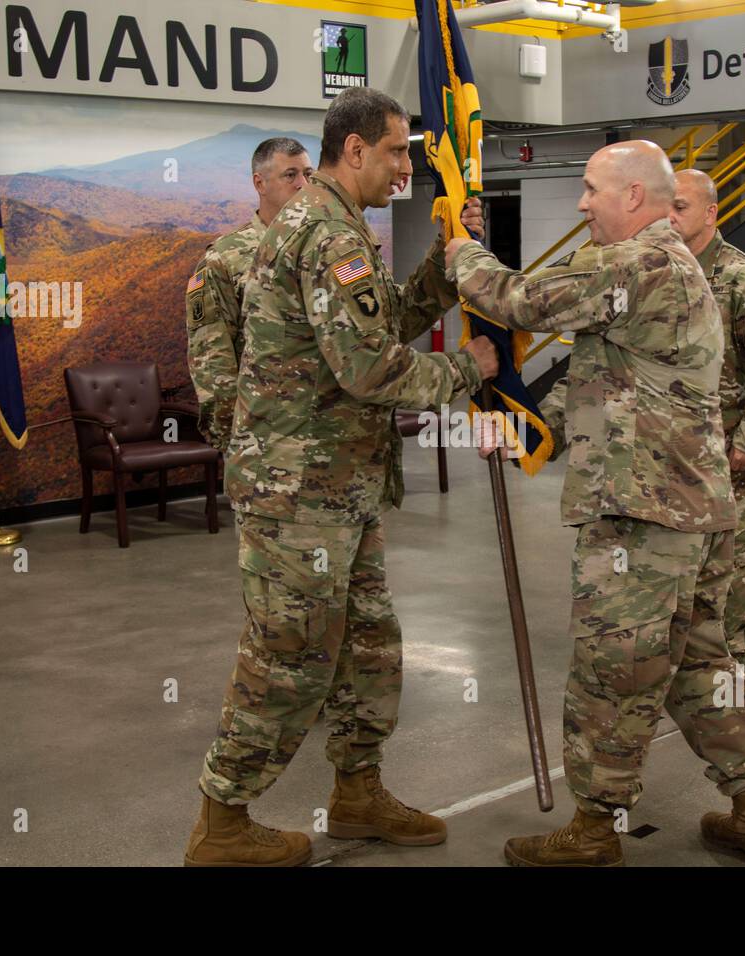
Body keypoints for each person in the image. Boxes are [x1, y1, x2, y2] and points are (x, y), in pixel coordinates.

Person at [446, 141, 745, 868]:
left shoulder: (639, 264)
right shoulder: (667, 268)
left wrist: (460, 246)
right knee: (697, 667)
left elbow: (519, 300)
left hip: (644, 517)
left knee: (613, 672)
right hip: (689, 512)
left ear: (633, 196)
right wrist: (530, 433)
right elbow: (606, 384)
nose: (581, 204)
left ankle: (594, 831)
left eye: (590, 188)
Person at [185, 87, 499, 867]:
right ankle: (222, 819)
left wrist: (445, 260)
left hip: (340, 490)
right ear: (354, 150)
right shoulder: (326, 232)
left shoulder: (337, 223)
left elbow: (382, 319)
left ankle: (358, 792)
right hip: (299, 493)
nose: (406, 170)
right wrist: (465, 369)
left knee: (368, 646)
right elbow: (367, 367)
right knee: (288, 656)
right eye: (396, 152)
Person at [671, 168, 745, 665]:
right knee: (679, 569)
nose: (669, 215)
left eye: (680, 206)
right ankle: (684, 667)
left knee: (729, 565)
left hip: (727, 455)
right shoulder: (663, 272)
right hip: (673, 454)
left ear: (711, 213)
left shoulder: (743, 278)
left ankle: (731, 663)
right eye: (666, 205)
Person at [185, 138, 314, 451]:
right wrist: (234, 439)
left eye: (308, 174)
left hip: (325, 428)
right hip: (263, 435)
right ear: (260, 183)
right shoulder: (225, 257)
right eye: (290, 175)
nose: (303, 184)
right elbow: (211, 356)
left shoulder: (324, 247)